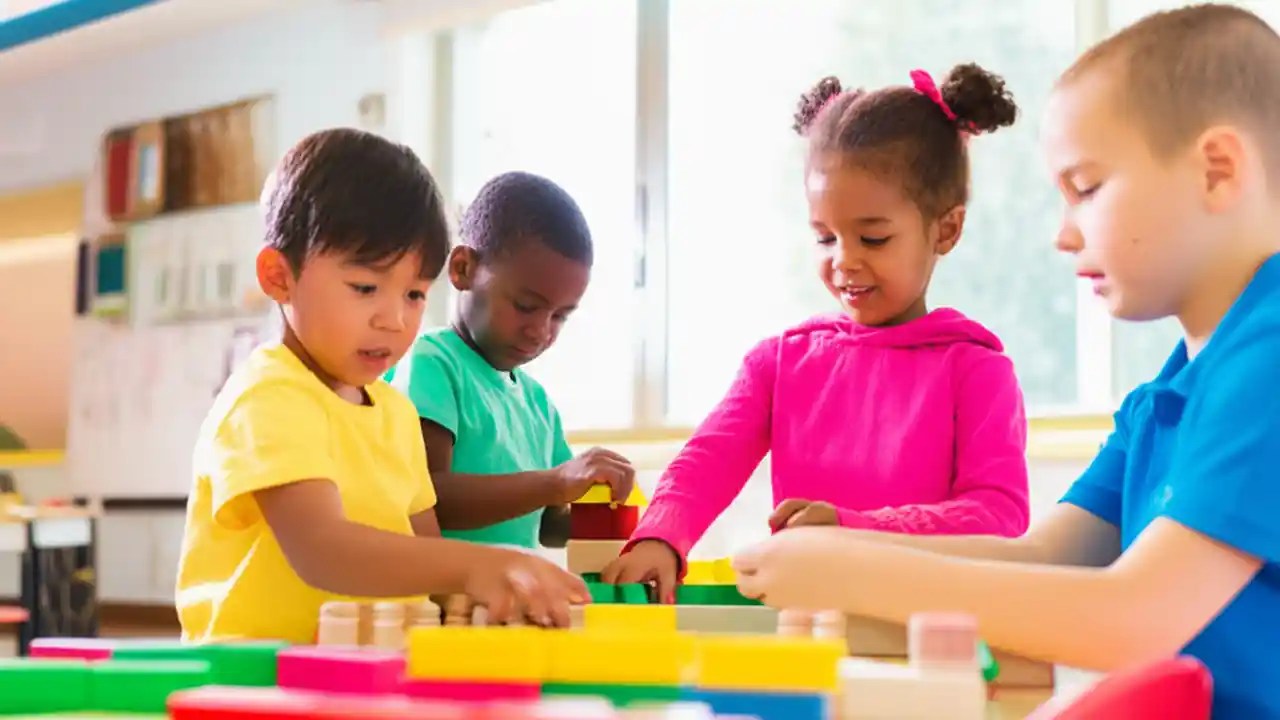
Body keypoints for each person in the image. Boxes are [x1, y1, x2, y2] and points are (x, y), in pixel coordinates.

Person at [732, 5, 1280, 718]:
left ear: (1216, 170)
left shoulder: (1267, 361)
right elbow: (1046, 557)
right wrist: (840, 549)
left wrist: (845, 569)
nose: (1063, 234)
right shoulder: (1166, 397)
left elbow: (1134, 616)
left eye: (1086, 189)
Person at [604, 63, 1030, 602]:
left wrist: (855, 529)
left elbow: (999, 516)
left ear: (946, 229)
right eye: (825, 237)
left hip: (927, 631)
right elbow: (707, 460)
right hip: (804, 626)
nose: (844, 261)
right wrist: (661, 536)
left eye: (873, 239)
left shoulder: (977, 369)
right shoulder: (780, 362)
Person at [176, 130, 586, 644]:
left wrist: (500, 602)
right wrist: (476, 565)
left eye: (415, 294)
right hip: (256, 686)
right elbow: (323, 549)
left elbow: (430, 565)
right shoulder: (268, 397)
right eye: (365, 288)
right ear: (280, 277)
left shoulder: (393, 412)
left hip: (370, 679)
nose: (394, 320)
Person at [389, 171, 635, 551]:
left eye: (560, 316)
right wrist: (554, 482)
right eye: (526, 306)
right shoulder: (432, 362)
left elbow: (548, 527)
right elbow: (428, 497)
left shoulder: (537, 403)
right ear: (463, 269)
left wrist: (616, 517)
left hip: (509, 603)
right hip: (444, 604)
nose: (540, 331)